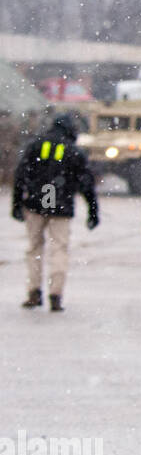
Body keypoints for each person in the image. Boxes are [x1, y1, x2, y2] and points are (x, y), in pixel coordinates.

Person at [11, 112, 99, 311]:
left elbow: (20, 174)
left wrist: (17, 203)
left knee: (34, 248)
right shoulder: (73, 151)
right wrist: (93, 211)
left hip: (35, 203)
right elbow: (86, 183)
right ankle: (56, 294)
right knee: (59, 249)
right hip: (61, 206)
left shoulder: (36, 145)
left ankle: (33, 291)